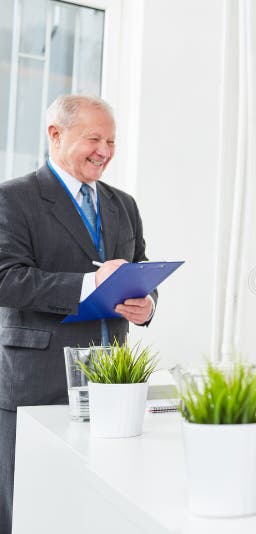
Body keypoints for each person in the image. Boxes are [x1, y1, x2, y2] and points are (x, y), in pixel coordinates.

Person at [0, 95, 156, 534]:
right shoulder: (13, 198)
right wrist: (89, 286)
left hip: (111, 387)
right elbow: (6, 278)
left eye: (111, 141)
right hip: (37, 382)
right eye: (94, 138)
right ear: (55, 134)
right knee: (29, 507)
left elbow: (140, 269)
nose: (104, 150)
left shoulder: (123, 204)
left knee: (91, 508)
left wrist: (146, 307)